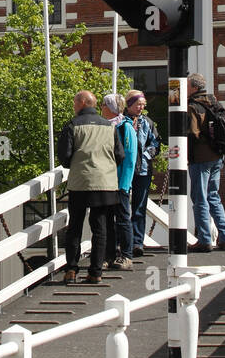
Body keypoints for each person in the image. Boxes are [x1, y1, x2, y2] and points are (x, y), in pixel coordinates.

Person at [58, 90, 124, 284]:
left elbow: (64, 157)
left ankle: (71, 269)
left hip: (80, 183)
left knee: (75, 227)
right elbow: (120, 155)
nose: (73, 105)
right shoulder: (109, 127)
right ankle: (95, 272)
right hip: (105, 183)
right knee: (100, 228)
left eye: (74, 102)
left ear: (82, 103)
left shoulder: (72, 125)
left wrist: (78, 163)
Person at [187, 72, 225, 253]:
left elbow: (192, 133)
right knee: (213, 196)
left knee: (199, 198)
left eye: (188, 86)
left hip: (201, 158)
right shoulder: (214, 101)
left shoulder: (193, 106)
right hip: (218, 156)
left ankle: (205, 239)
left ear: (194, 87)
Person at [100, 93, 137, 269]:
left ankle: (126, 255)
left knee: (122, 218)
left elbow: (130, 157)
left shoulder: (125, 128)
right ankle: (109, 254)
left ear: (111, 108)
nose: (101, 107)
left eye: (104, 105)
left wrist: (124, 184)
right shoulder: (104, 127)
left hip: (119, 182)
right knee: (107, 219)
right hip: (106, 181)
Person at [124, 90, 161, 257]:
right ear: (129, 104)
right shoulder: (121, 121)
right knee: (122, 207)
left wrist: (145, 156)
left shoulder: (148, 122)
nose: (141, 107)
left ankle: (137, 242)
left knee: (139, 206)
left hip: (143, 170)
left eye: (143, 105)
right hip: (125, 169)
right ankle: (123, 241)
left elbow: (156, 143)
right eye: (138, 104)